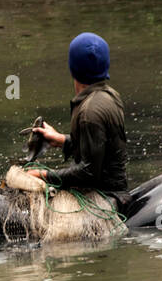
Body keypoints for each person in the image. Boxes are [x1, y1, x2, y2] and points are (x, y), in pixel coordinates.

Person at [27, 31, 129, 198]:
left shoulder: (89, 113)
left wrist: (42, 175)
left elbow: (88, 173)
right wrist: (61, 140)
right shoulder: (109, 95)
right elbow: (101, 150)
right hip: (115, 190)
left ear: (72, 67)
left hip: (105, 198)